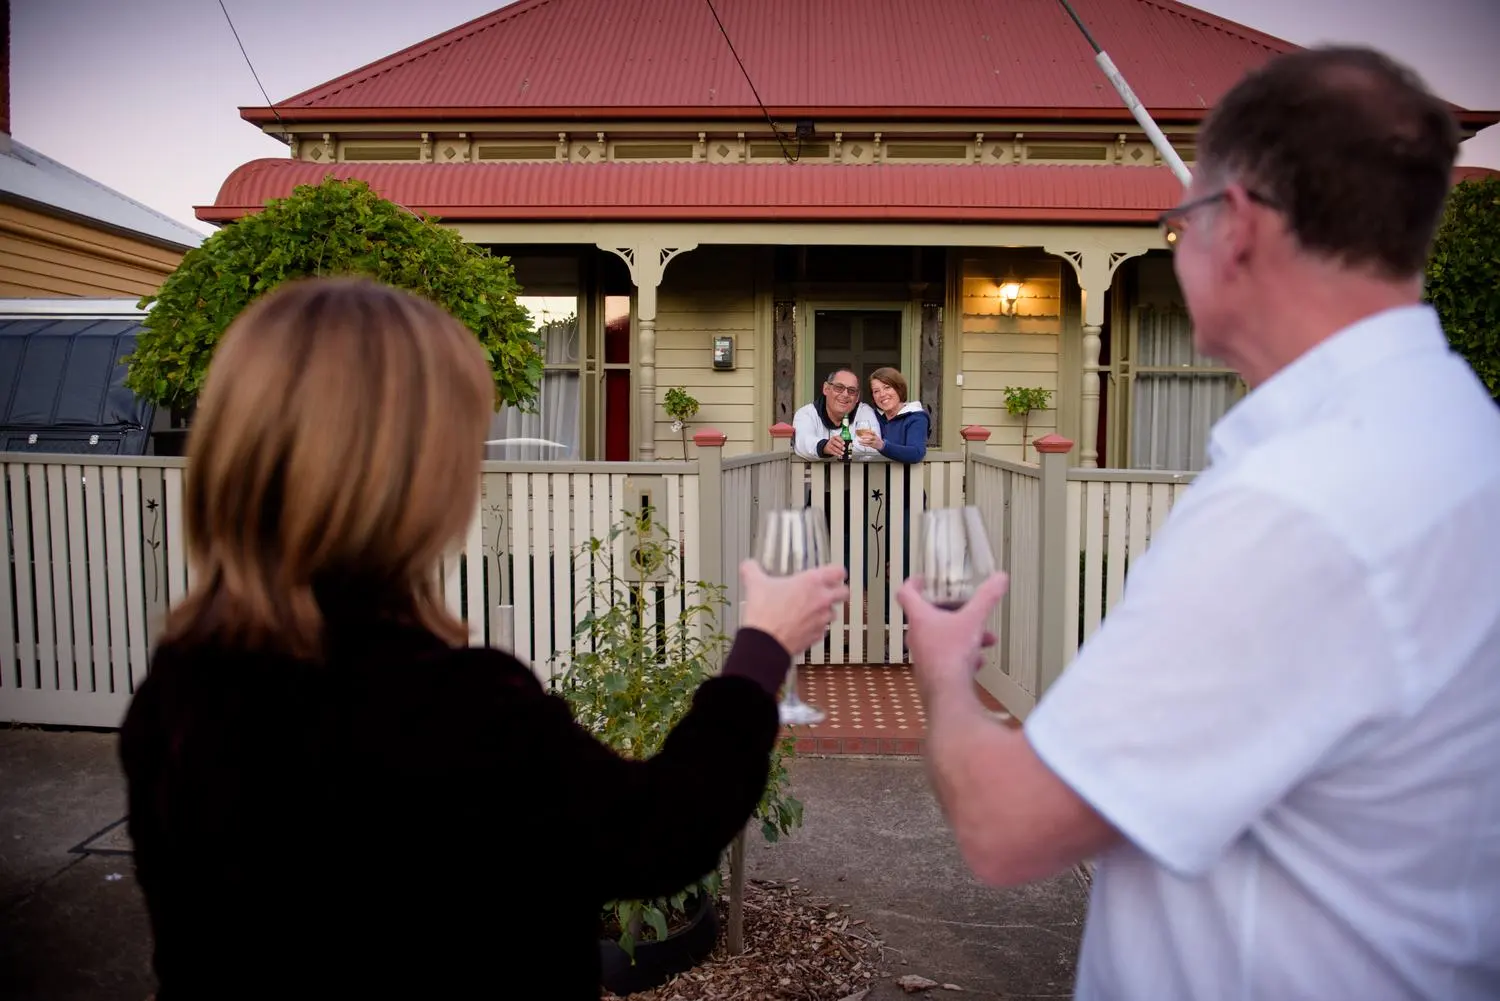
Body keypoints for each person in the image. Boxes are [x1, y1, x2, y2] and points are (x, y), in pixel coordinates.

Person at [898, 46, 1500, 1001]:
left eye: (1179, 223)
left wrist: (941, 671)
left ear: (1242, 226)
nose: (1178, 252)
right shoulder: (1462, 435)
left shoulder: (1295, 505)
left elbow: (1004, 825)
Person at [118, 277, 849, 1000]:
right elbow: (661, 831)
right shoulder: (456, 711)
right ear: (408, 478)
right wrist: (763, 644)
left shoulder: (177, 692)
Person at [792, 368, 880, 460]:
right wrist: (825, 446)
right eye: (839, 387)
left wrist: (837, 447)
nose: (845, 394)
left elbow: (872, 445)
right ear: (826, 389)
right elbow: (802, 442)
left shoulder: (864, 412)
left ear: (857, 397)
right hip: (818, 474)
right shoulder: (806, 413)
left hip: (857, 473)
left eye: (852, 390)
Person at [860, 366, 928, 464]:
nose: (882, 394)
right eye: (876, 391)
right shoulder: (872, 415)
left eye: (887, 387)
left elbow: (916, 453)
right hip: (872, 475)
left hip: (904, 477)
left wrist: (882, 446)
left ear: (899, 388)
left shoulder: (916, 417)